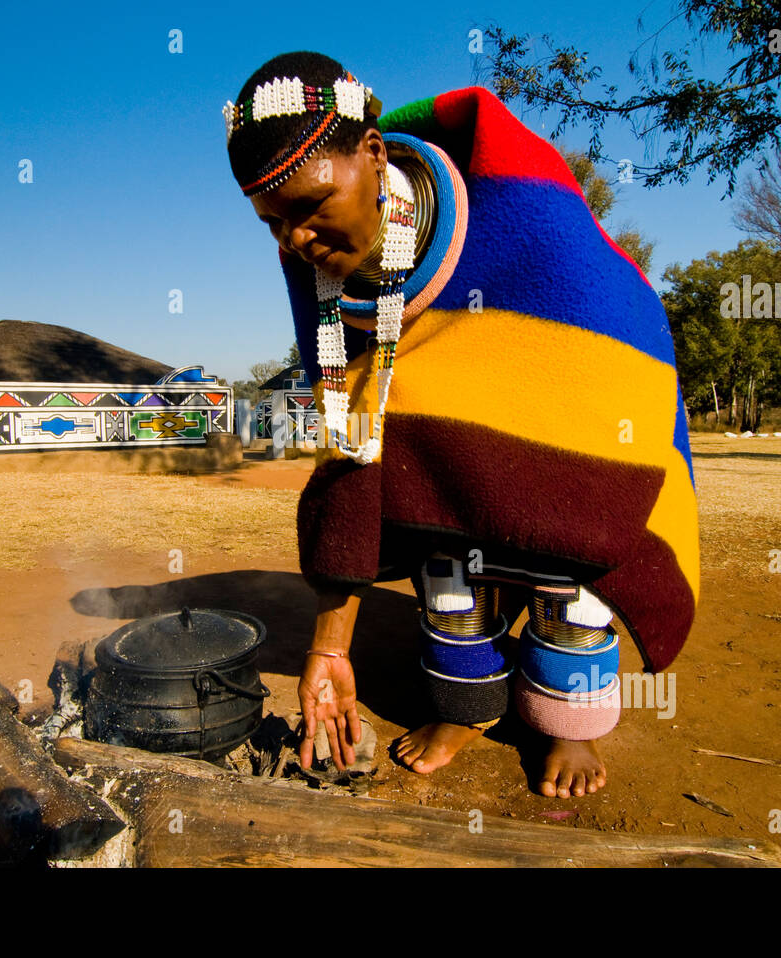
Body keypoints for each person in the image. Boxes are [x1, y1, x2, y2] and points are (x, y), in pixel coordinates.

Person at [222, 51, 699, 798]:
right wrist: (330, 645)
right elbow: (355, 440)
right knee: (447, 575)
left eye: (313, 206)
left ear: (374, 155)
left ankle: (566, 728)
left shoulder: (519, 207)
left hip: (566, 447)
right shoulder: (320, 273)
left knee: (569, 572)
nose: (296, 240)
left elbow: (607, 334)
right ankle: (466, 709)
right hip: (450, 481)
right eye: (272, 223)